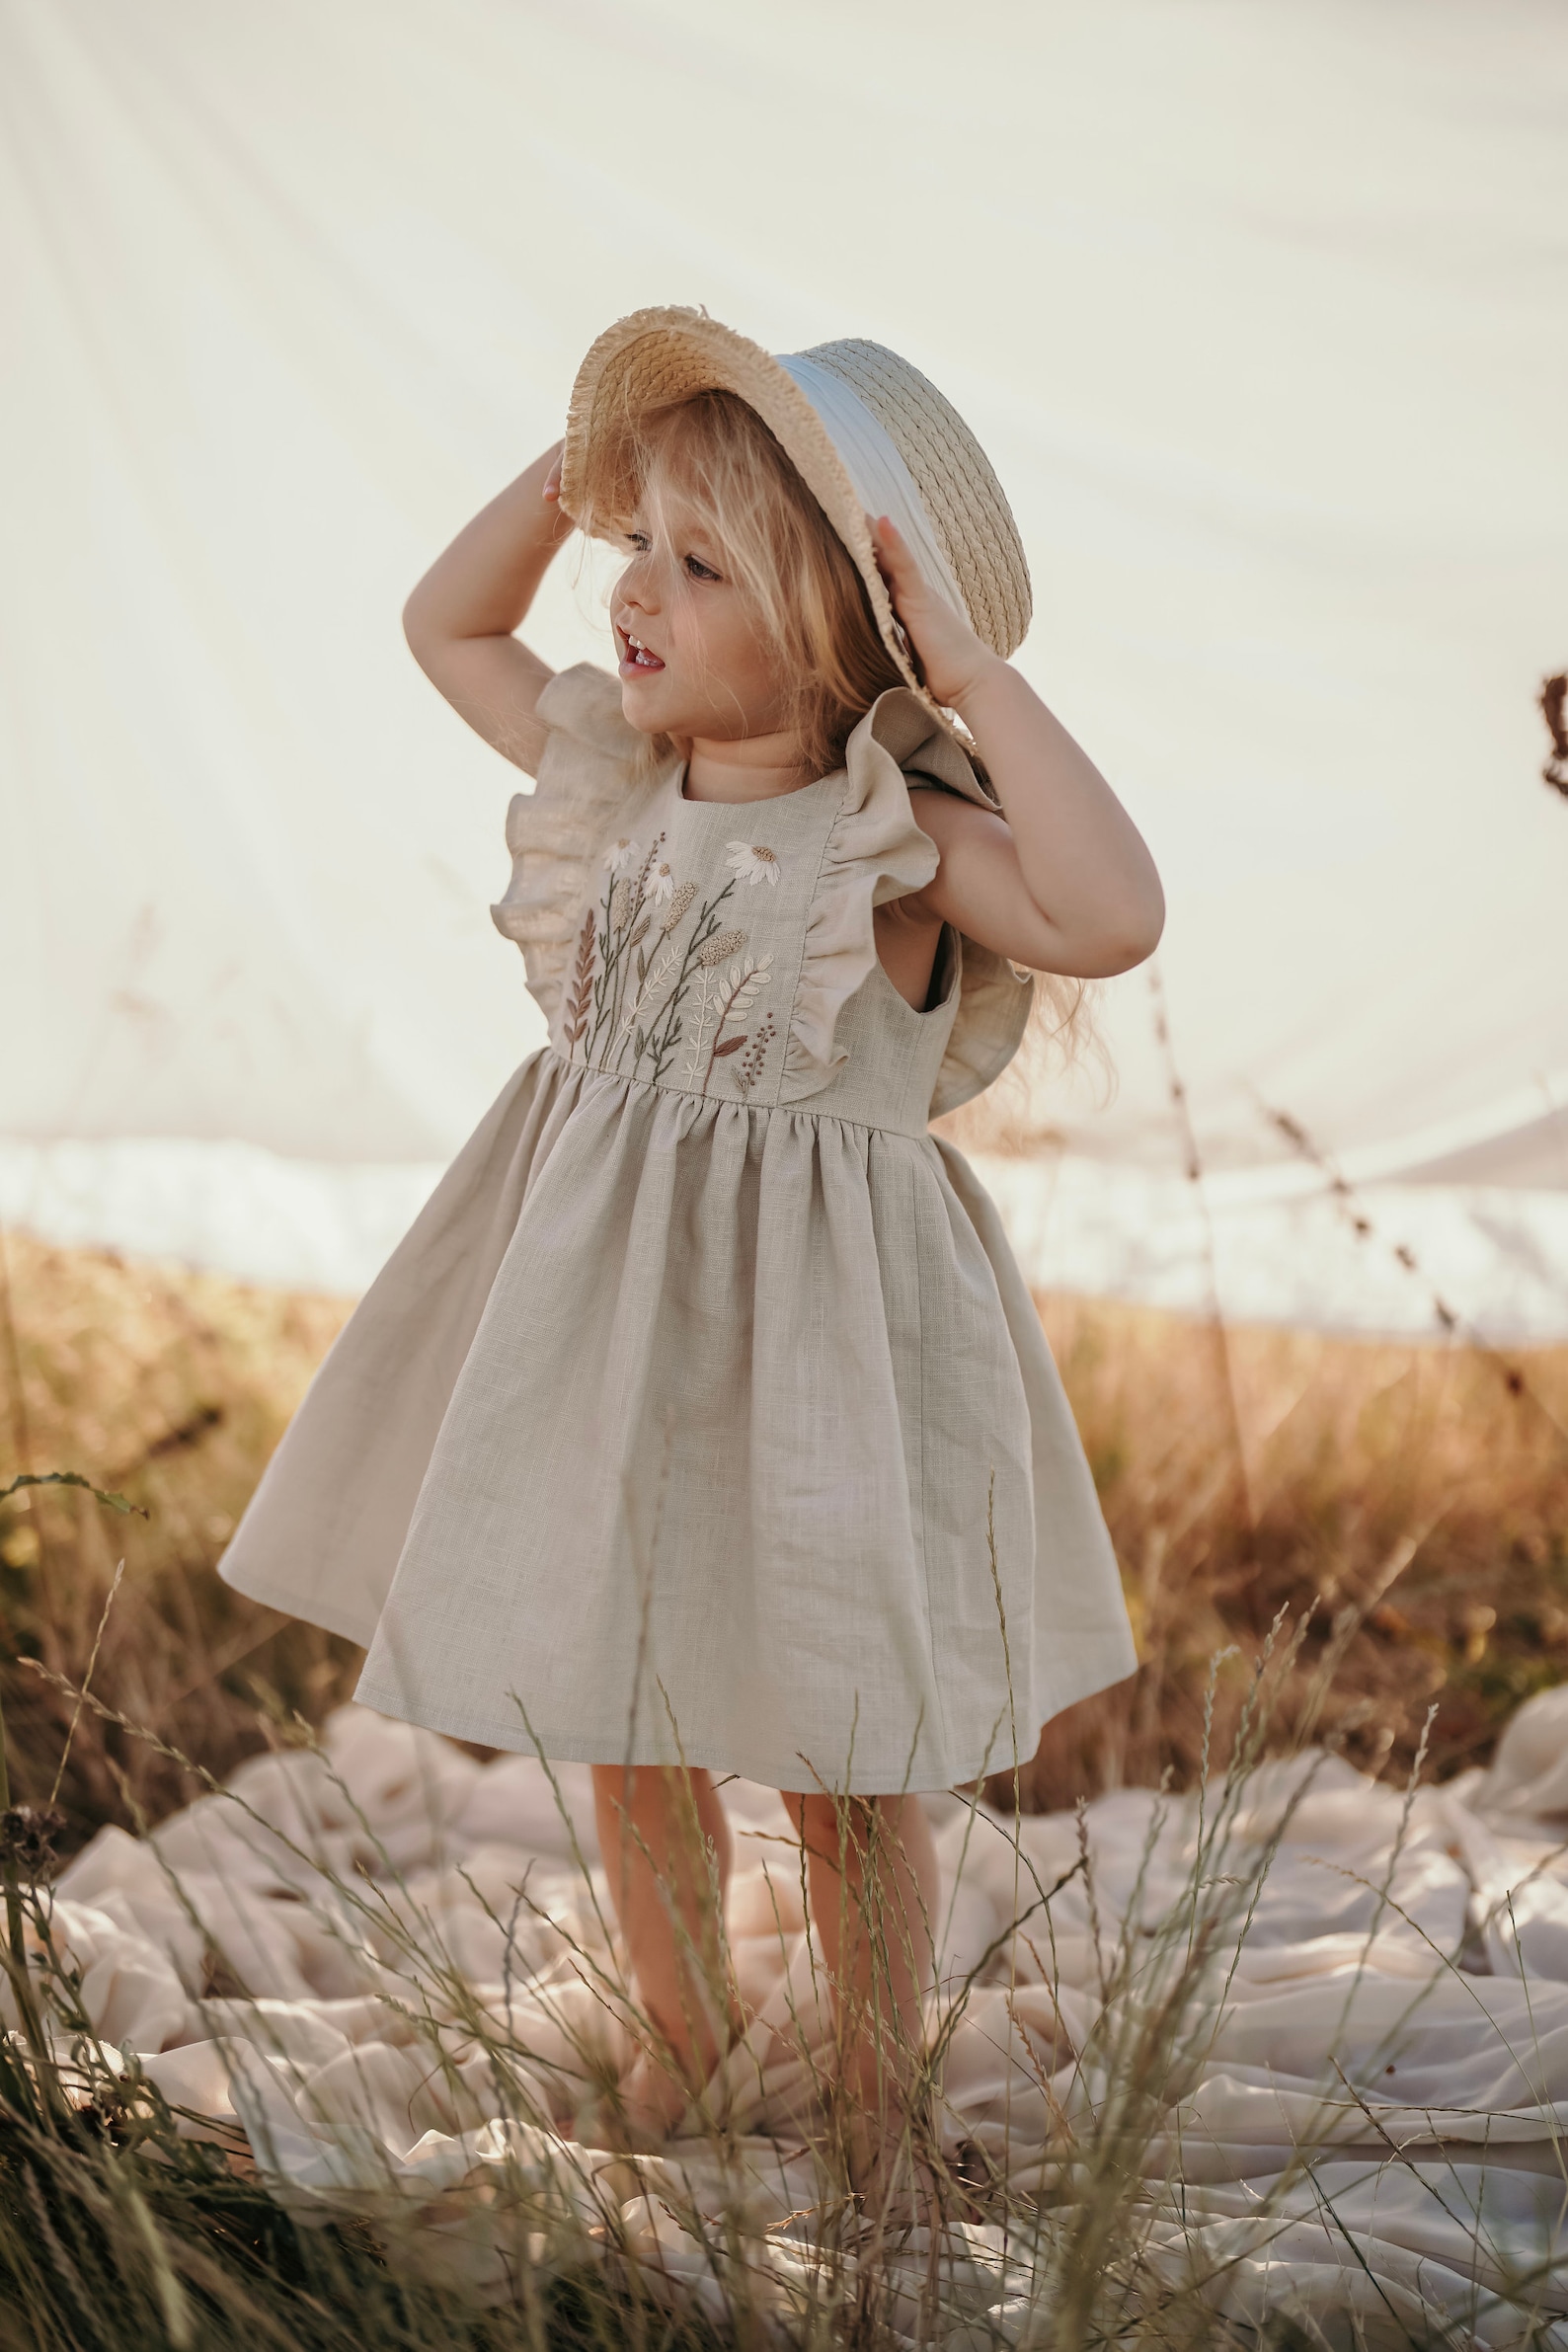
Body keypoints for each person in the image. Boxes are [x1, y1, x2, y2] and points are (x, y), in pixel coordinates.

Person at [219, 308, 1163, 2212]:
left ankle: (883, 2094)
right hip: (603, 1332)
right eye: (629, 543)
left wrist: (966, 669)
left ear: (829, 628)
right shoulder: (612, 784)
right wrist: (596, 467)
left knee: (838, 1743)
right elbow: (446, 624)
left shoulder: (893, 840)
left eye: (695, 562)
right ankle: (677, 2023)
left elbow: (1112, 911)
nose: (630, 592)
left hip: (816, 1356)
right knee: (622, 1692)